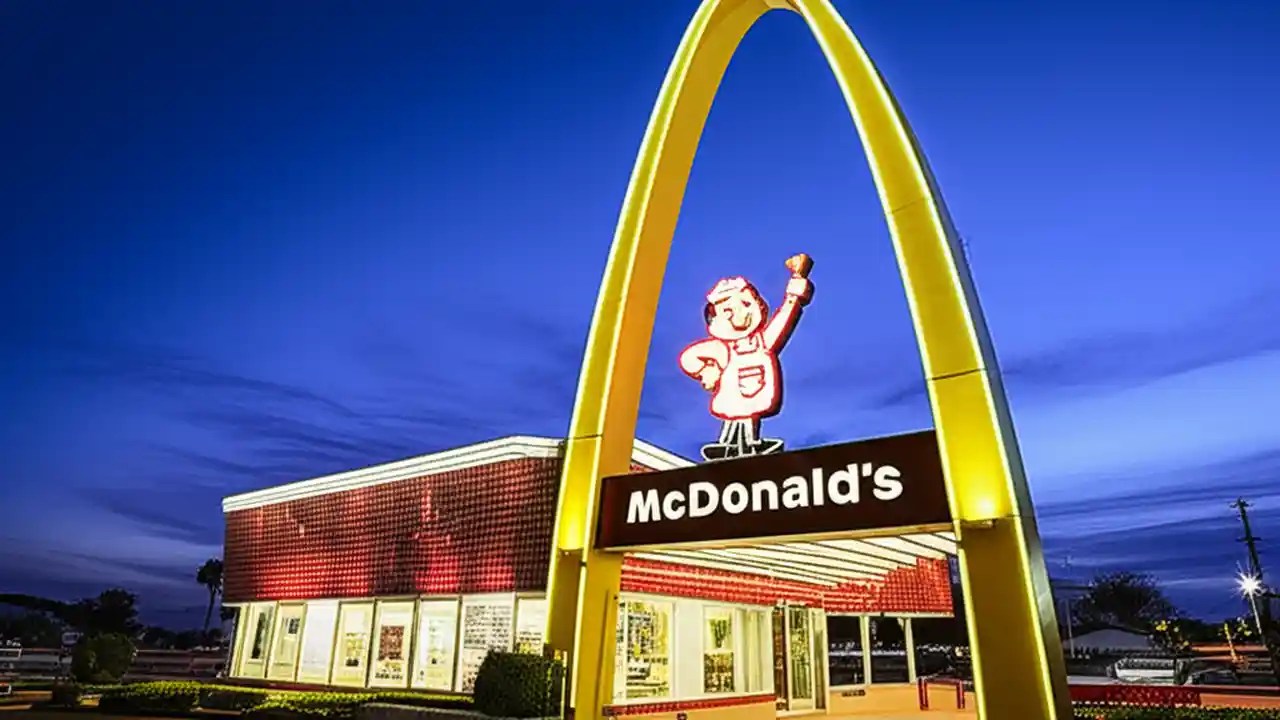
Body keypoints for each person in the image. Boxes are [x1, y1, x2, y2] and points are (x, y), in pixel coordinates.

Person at [678, 255, 813, 459]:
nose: (737, 315)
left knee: (748, 416)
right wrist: (708, 371)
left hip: (757, 391)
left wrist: (794, 297)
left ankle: (749, 443)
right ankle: (730, 443)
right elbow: (689, 357)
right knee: (733, 415)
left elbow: (784, 319)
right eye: (728, 311)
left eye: (745, 305)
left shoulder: (764, 342)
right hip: (732, 392)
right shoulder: (721, 349)